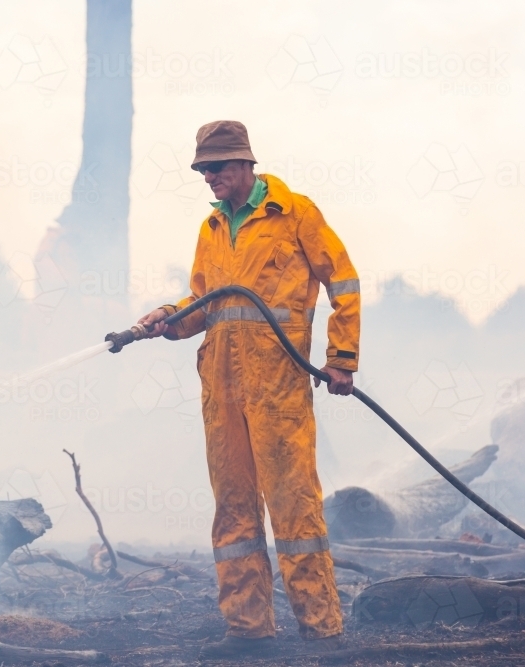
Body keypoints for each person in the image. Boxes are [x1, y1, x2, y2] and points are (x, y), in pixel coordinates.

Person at [137, 120, 361, 658]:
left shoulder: (295, 213)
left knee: (293, 506)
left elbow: (345, 281)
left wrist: (342, 358)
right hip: (222, 388)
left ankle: (322, 629)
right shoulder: (212, 228)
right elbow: (204, 306)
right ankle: (248, 628)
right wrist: (170, 318)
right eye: (201, 170)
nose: (207, 178)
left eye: (214, 167)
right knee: (233, 509)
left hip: (278, 386)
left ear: (243, 164)